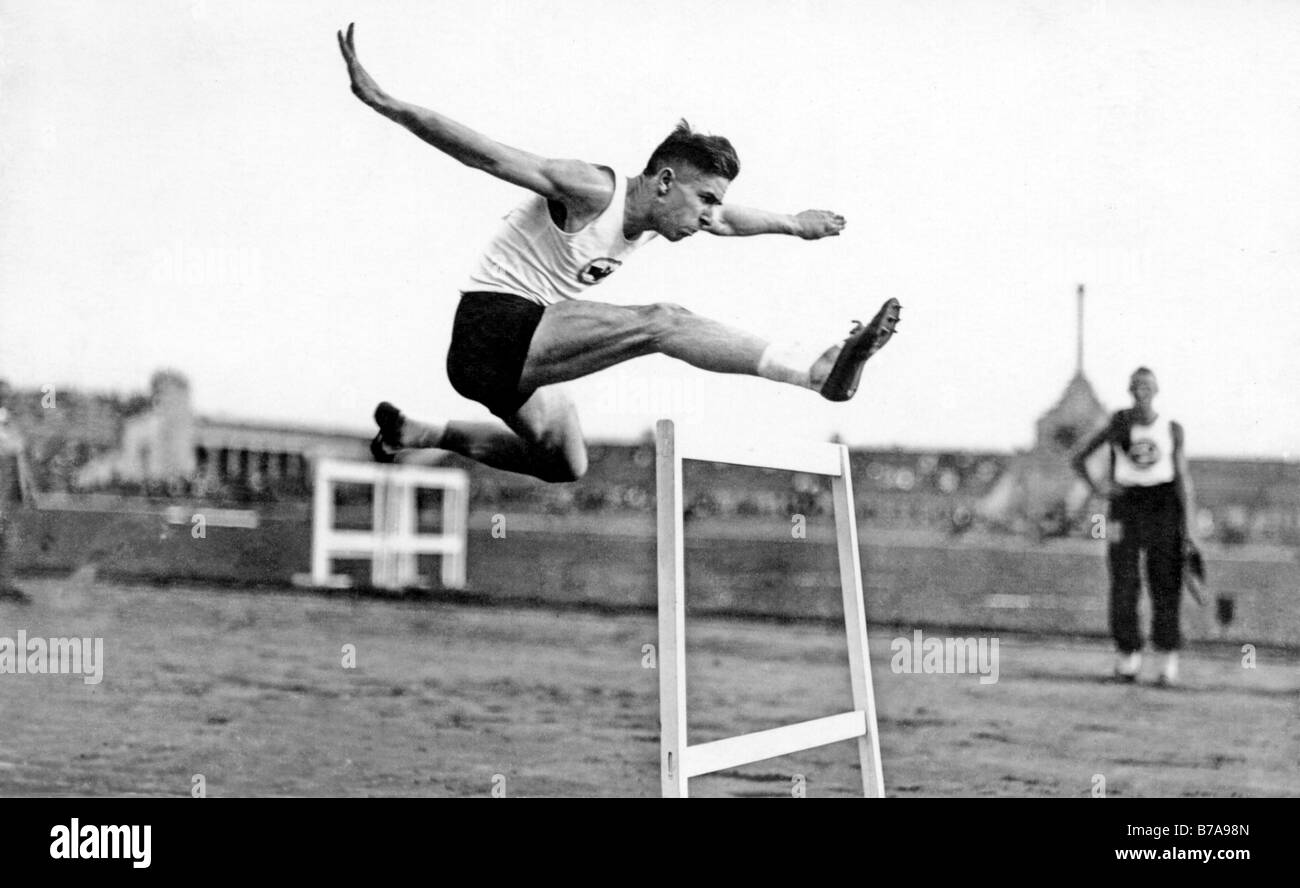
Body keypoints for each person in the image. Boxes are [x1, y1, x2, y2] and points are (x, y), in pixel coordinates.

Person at [336, 24, 901, 483]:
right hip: (495, 326)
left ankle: (423, 434)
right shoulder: (592, 191)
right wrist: (388, 103)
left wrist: (795, 225)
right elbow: (487, 156)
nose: (709, 216)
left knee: (564, 463)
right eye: (703, 198)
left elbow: (729, 221)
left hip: (511, 357)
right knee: (663, 322)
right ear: (662, 181)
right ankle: (813, 369)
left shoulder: (657, 218)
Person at [1071, 367, 1198, 686]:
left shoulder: (1171, 429)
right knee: (1124, 582)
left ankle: (1167, 661)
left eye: (1147, 386)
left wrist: (1190, 528)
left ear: (1156, 390)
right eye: (1136, 386)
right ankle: (1128, 658)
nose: (1141, 392)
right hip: (1125, 507)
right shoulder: (1119, 424)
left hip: (1163, 504)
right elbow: (1079, 457)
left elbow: (1183, 479)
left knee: (1166, 583)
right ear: (1129, 390)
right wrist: (1099, 489)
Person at [0, 403, 34, 604]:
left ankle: (6, 586)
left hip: (8, 502)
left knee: (7, 544)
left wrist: (28, 492)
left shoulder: (14, 448)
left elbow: (22, 471)